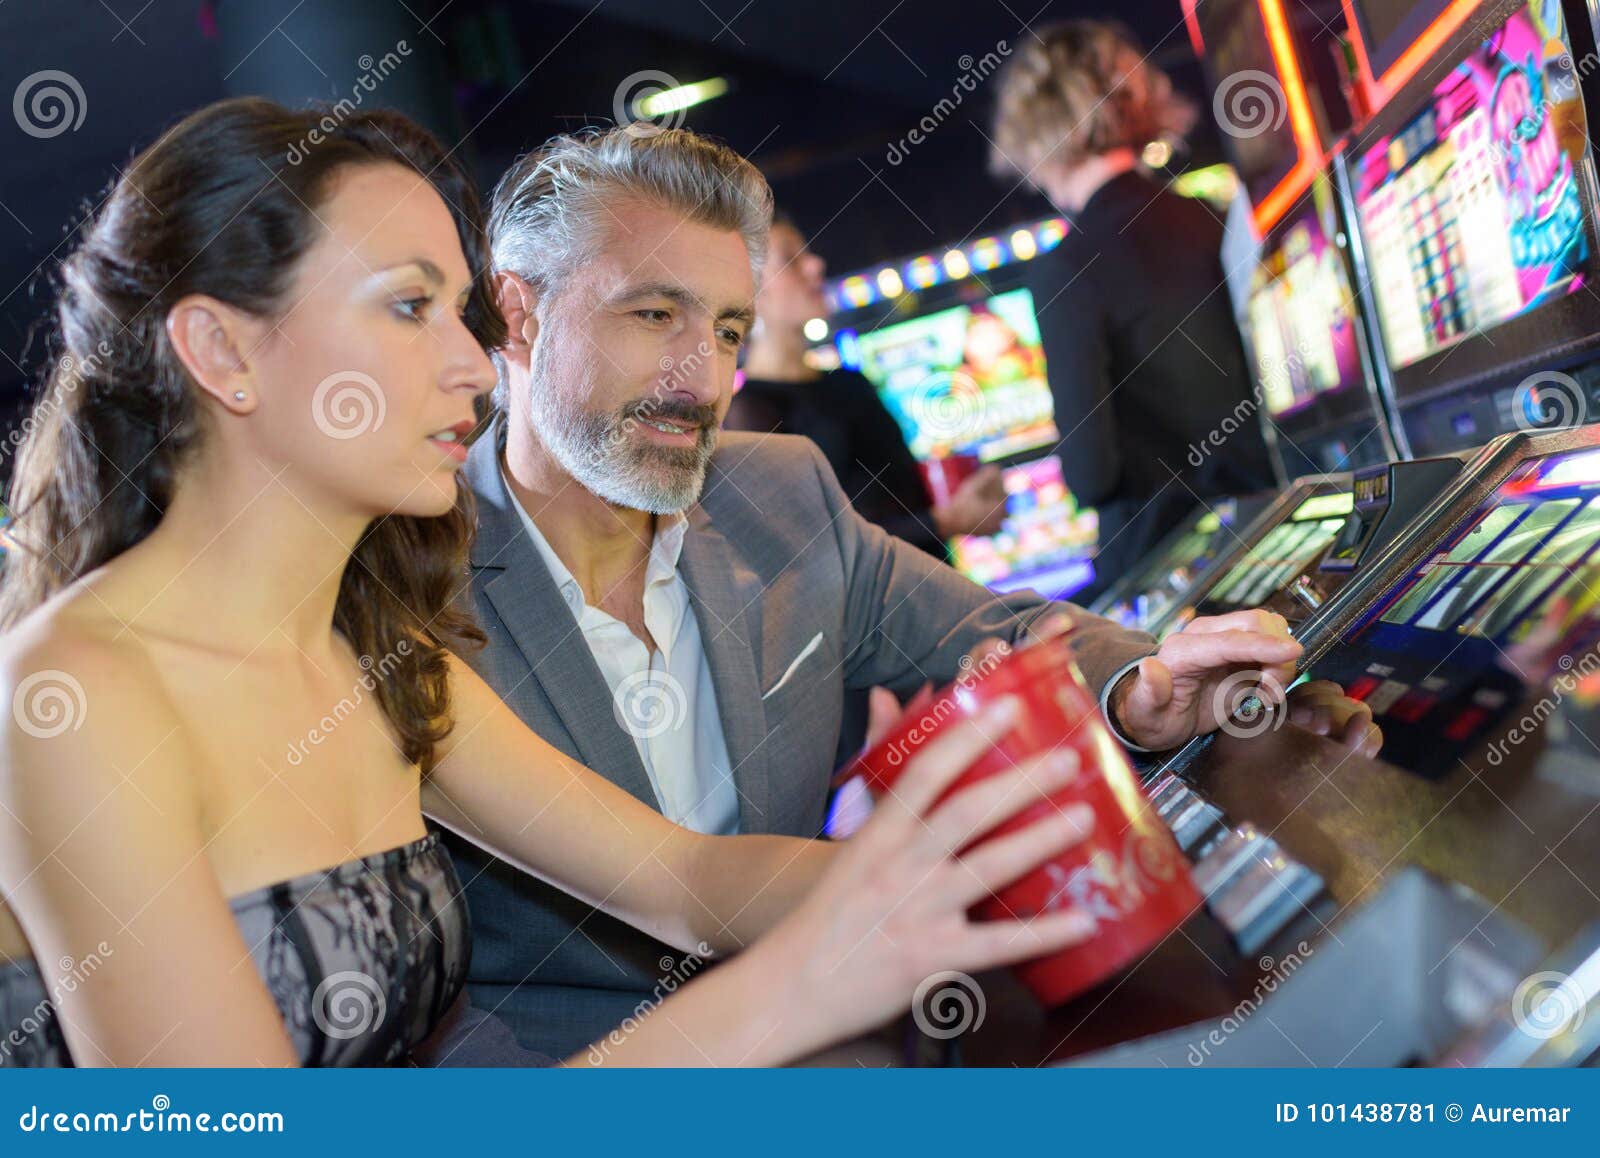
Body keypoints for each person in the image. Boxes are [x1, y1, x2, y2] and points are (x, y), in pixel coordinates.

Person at [0, 97, 1119, 1068]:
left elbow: (686, 883)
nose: (468, 360)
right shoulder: (73, 694)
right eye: (408, 306)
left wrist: (973, 860)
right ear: (223, 351)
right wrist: (789, 994)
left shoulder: (375, 657)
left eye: (458, 312)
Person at [449, 122, 1381, 1058]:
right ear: (519, 313)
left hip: (862, 1037)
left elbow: (1001, 628)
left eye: (728, 329)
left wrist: (1145, 692)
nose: (704, 380)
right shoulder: (405, 574)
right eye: (655, 315)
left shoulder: (778, 491)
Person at [990, 20, 1276, 601]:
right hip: (1273, 523)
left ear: (1035, 135)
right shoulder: (1214, 219)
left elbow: (1092, 475)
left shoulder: (1066, 269)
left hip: (1167, 569)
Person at [728, 214, 1006, 558]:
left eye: (808, 254)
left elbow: (904, 493)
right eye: (791, 260)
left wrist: (966, 490)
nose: (816, 265)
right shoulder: (750, 415)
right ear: (749, 292)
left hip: (932, 577)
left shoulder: (850, 381)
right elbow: (806, 545)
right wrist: (946, 521)